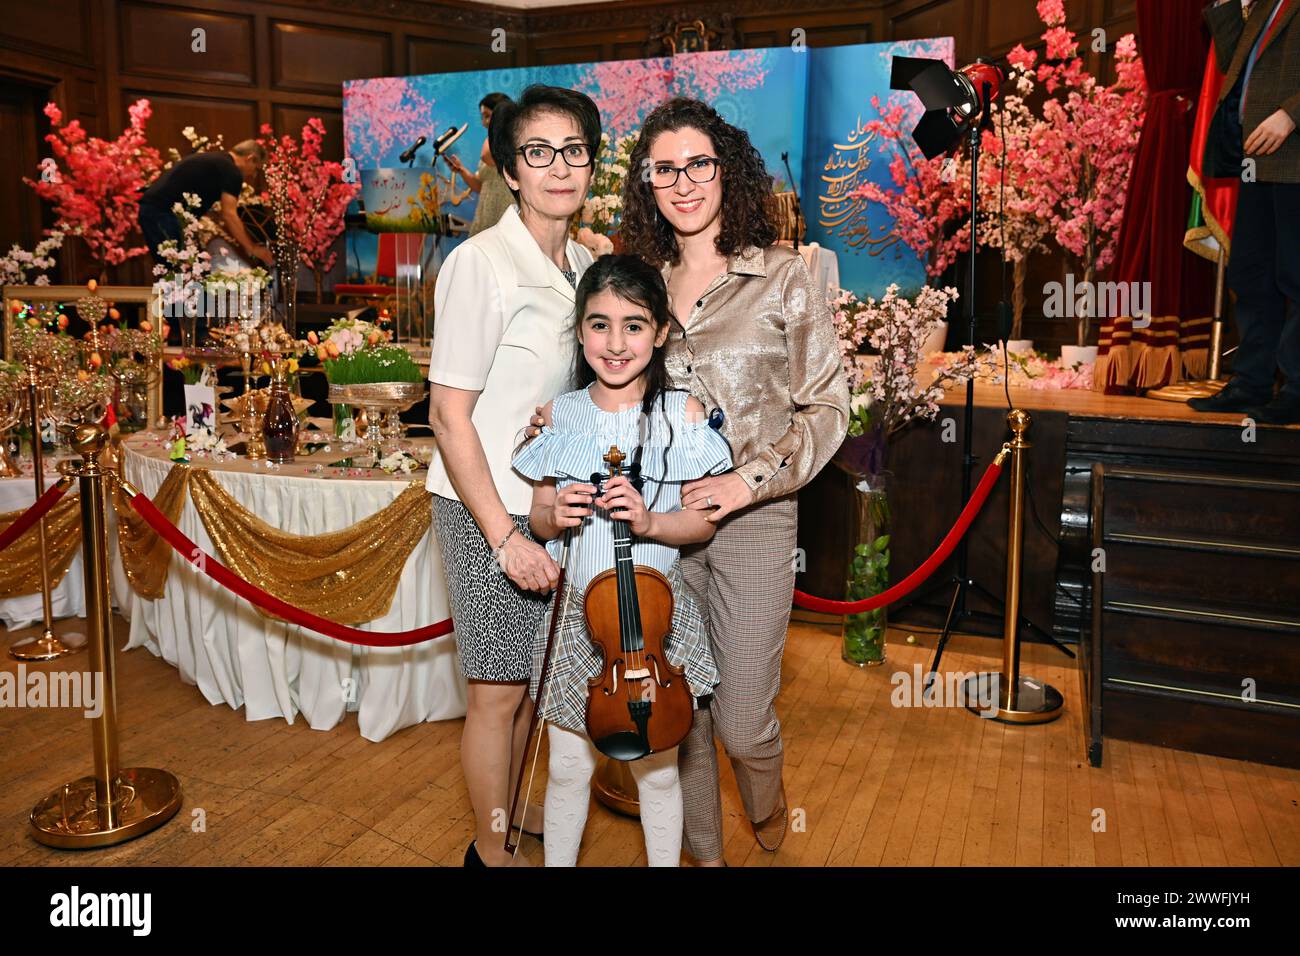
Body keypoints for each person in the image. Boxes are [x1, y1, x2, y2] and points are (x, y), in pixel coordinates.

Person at [425, 84, 601, 868]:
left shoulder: (588, 262)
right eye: (539, 152)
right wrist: (501, 536)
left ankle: (515, 807)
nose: (559, 167)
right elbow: (447, 415)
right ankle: (489, 853)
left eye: (574, 151)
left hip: (552, 505)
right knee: (496, 693)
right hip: (482, 507)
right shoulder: (480, 264)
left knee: (536, 684)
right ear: (510, 168)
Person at [512, 254, 733, 867]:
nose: (616, 343)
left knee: (659, 776)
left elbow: (702, 518)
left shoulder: (681, 416)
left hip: (653, 631)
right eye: (600, 324)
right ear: (580, 331)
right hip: (576, 621)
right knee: (567, 768)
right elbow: (537, 515)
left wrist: (650, 521)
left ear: (660, 331)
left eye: (634, 325)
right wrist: (555, 517)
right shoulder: (559, 415)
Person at [1189, 0, 1300, 424]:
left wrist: (1291, 115)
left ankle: (1295, 390)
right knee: (1252, 274)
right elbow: (1235, 61)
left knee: (1295, 274)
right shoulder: (1268, 5)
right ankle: (1250, 382)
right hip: (1254, 157)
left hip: (1292, 151)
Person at [138, 140, 273, 267]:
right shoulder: (231, 170)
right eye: (256, 169)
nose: (254, 175)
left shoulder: (217, 160)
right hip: (163, 213)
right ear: (250, 158)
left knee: (177, 271)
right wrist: (253, 248)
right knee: (178, 272)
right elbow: (229, 214)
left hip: (154, 209)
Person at [446, 93, 518, 236]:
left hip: (504, 212)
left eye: (488, 115)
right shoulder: (492, 142)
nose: (484, 122)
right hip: (486, 212)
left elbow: (485, 155)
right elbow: (480, 186)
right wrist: (461, 170)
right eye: (482, 117)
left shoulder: (511, 140)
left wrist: (497, 127)